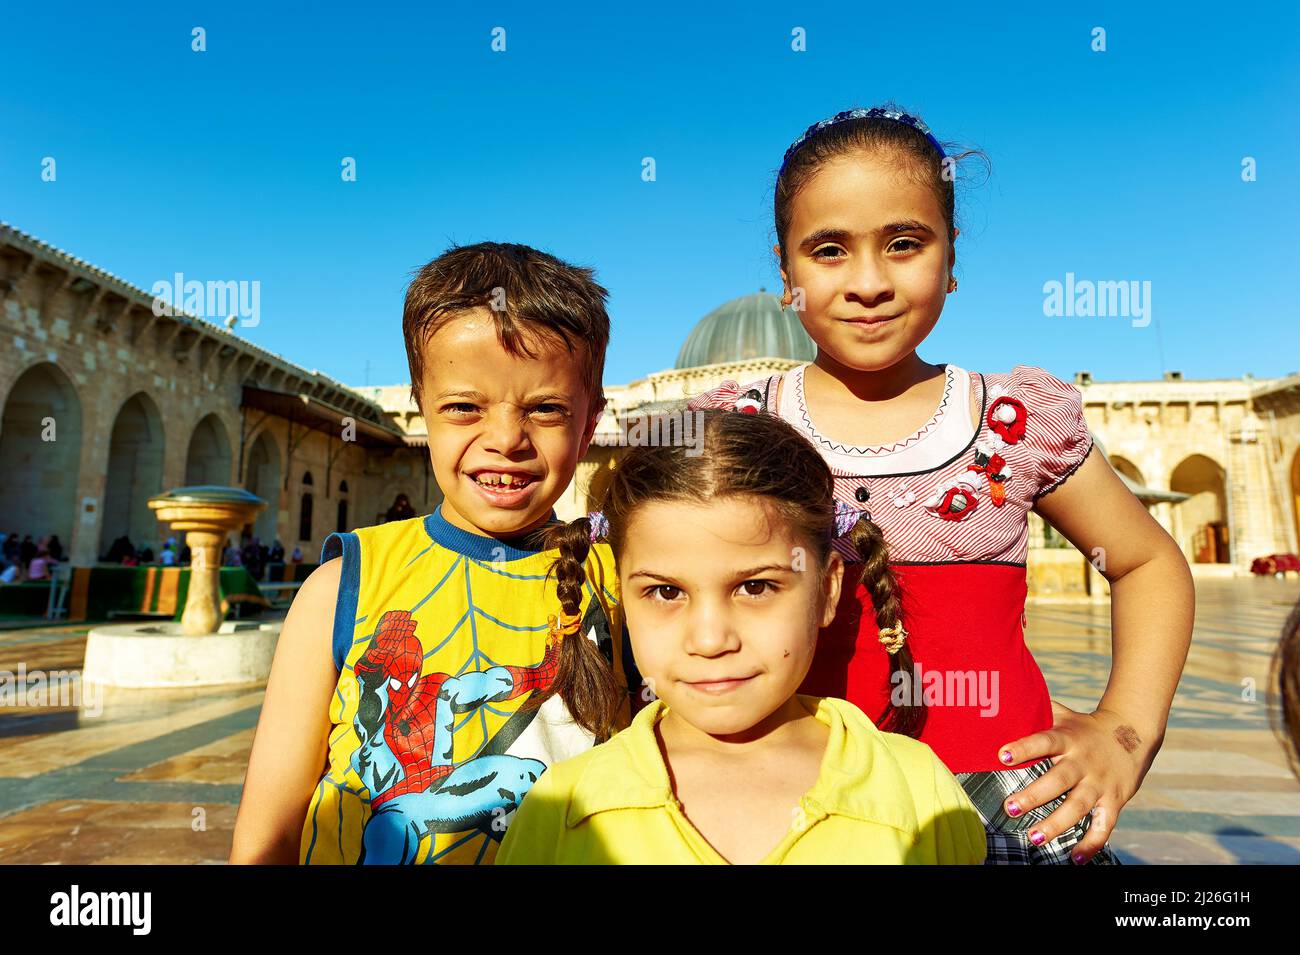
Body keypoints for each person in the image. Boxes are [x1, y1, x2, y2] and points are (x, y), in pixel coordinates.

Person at [687, 105, 1194, 864]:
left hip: (1001, 807)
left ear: (951, 257)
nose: (868, 282)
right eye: (829, 249)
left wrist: (1125, 730)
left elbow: (1146, 562)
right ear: (785, 272)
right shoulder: (736, 427)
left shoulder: (1014, 422)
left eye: (903, 243)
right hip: (788, 813)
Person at [230, 241, 639, 865]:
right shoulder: (345, 585)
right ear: (422, 411)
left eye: (546, 409)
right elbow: (269, 830)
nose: (505, 439)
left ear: (589, 424)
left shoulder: (628, 585)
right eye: (463, 407)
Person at [497, 409, 985, 864]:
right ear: (622, 592)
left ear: (827, 589)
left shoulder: (919, 791)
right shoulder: (561, 807)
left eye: (756, 587)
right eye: (665, 592)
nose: (710, 641)